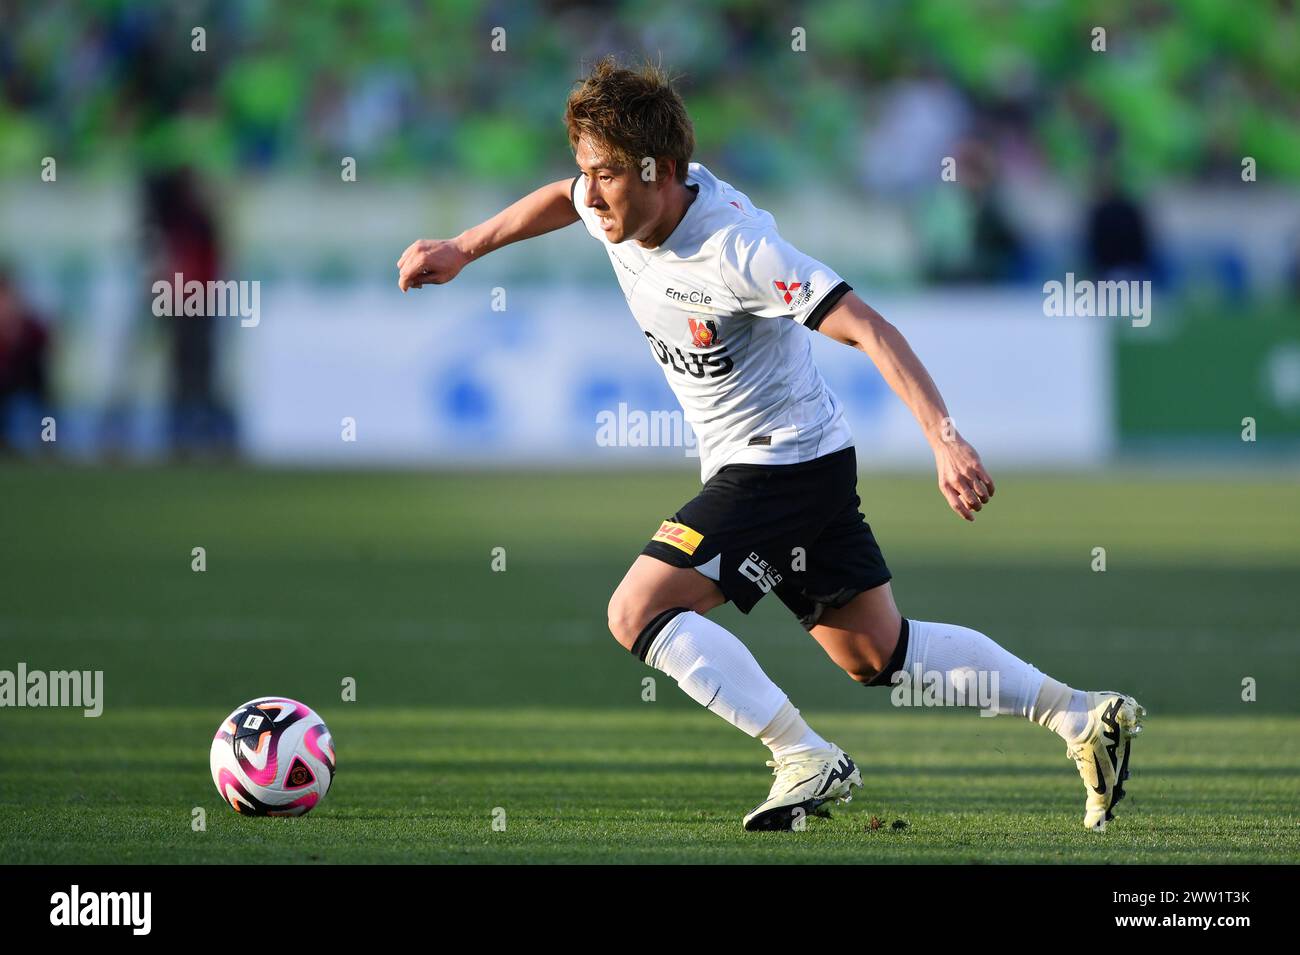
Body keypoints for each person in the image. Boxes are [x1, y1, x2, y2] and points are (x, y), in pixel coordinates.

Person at [396, 57, 1144, 832]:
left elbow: (871, 327)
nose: (593, 191)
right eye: (588, 168)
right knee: (877, 654)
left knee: (636, 609)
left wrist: (944, 440)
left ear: (666, 171)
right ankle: (1082, 716)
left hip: (778, 464)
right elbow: (560, 199)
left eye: (608, 174)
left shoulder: (739, 251)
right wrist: (463, 246)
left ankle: (802, 754)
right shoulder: (608, 198)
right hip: (793, 463)